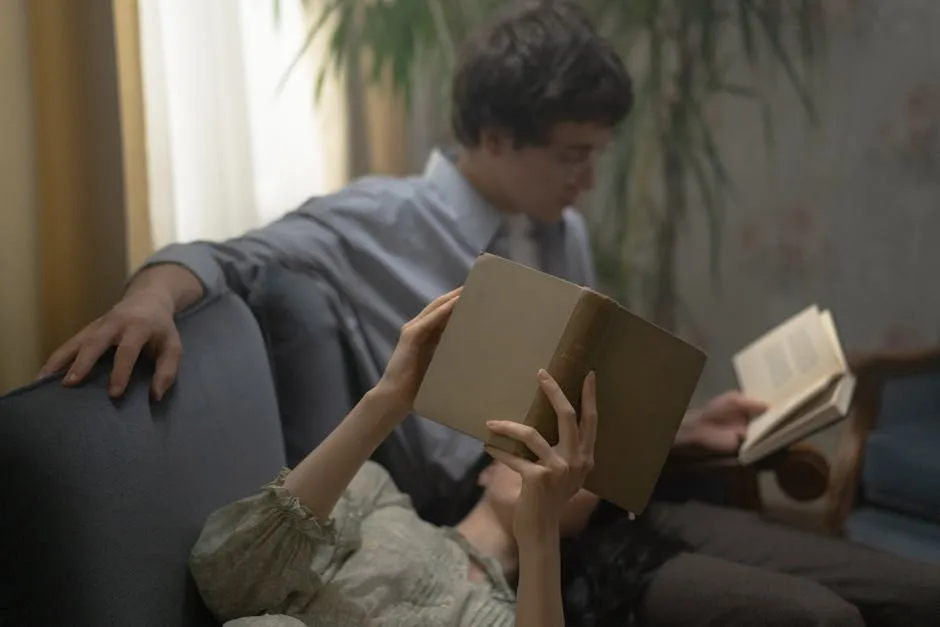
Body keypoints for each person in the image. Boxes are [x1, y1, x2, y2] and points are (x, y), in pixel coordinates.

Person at [40, 1, 940, 625]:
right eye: (571, 157)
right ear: (496, 137)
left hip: (605, 499)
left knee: (911, 590)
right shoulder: (381, 220)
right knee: (813, 617)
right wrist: (150, 295)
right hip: (515, 537)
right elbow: (228, 257)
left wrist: (692, 433)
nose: (587, 181)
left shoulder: (563, 232)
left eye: (597, 157)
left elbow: (583, 405)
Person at [189, 289, 677, 627]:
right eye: (536, 437)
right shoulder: (376, 496)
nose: (545, 454)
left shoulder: (516, 612)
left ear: (586, 519)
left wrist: (540, 533)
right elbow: (231, 583)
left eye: (576, 461)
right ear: (485, 469)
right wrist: (387, 401)